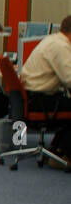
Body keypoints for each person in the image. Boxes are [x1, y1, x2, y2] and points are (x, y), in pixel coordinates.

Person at [19, 15, 71, 158]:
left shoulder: (52, 40)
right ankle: (63, 154)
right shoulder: (61, 46)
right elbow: (69, 79)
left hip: (33, 97)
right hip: (41, 100)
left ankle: (57, 149)